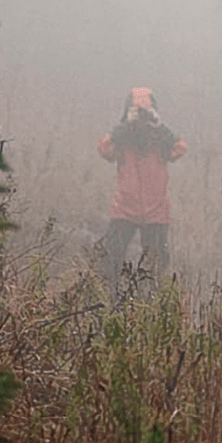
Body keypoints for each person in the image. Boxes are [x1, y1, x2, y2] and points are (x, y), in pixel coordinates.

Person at [97, 87, 188, 298]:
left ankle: (150, 303)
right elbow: (103, 149)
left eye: (147, 111)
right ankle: (110, 299)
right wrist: (124, 126)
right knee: (110, 259)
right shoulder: (122, 138)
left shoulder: (161, 139)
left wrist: (159, 125)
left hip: (156, 210)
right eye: (138, 111)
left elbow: (180, 148)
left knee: (156, 265)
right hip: (124, 208)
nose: (142, 117)